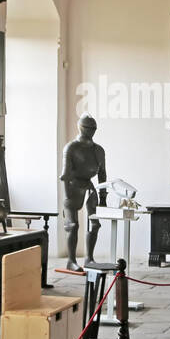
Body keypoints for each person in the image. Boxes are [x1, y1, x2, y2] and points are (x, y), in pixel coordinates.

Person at [59, 114, 107, 269]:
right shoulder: (71, 147)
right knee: (72, 225)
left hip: (90, 188)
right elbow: (65, 175)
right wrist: (66, 196)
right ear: (81, 128)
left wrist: (103, 196)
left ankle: (89, 258)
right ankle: (71, 261)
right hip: (73, 186)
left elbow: (102, 174)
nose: (91, 131)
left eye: (93, 129)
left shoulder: (98, 150)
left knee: (94, 224)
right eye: (88, 128)